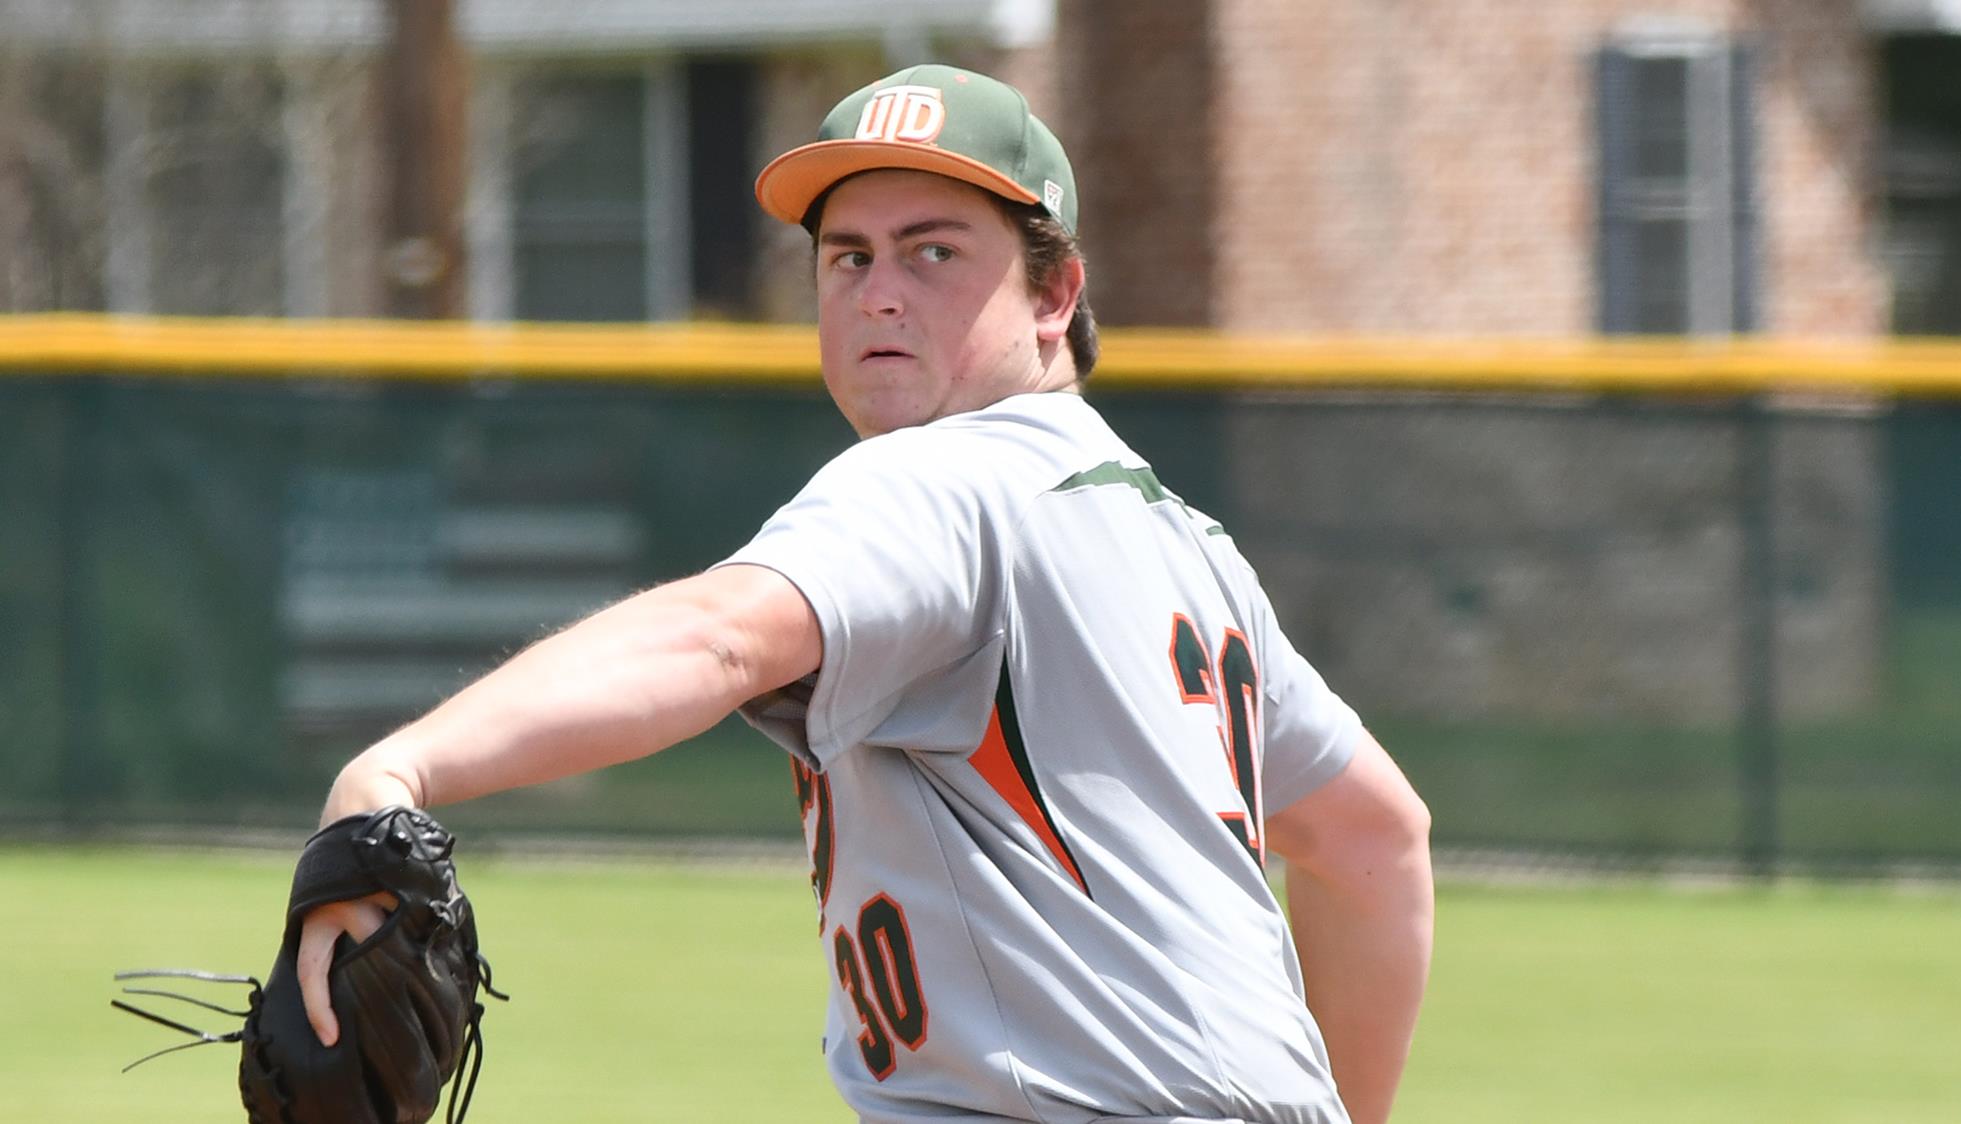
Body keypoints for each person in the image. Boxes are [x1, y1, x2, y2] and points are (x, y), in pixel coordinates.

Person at [302, 64, 1433, 1124]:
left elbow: (715, 638)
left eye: (932, 253)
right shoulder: (1189, 542)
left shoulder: (942, 477)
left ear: (1056, 293)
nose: (878, 294)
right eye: (847, 257)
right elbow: (1373, 838)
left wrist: (394, 773)